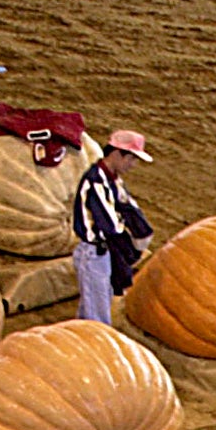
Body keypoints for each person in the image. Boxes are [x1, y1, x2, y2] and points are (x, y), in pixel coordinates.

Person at [69, 131, 153, 326]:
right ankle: (94, 348)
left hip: (102, 252)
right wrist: (134, 239)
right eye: (131, 159)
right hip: (94, 252)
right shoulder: (96, 180)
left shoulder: (112, 179)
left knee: (95, 304)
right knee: (97, 315)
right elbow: (111, 225)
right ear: (117, 153)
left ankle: (81, 339)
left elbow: (127, 206)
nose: (133, 165)